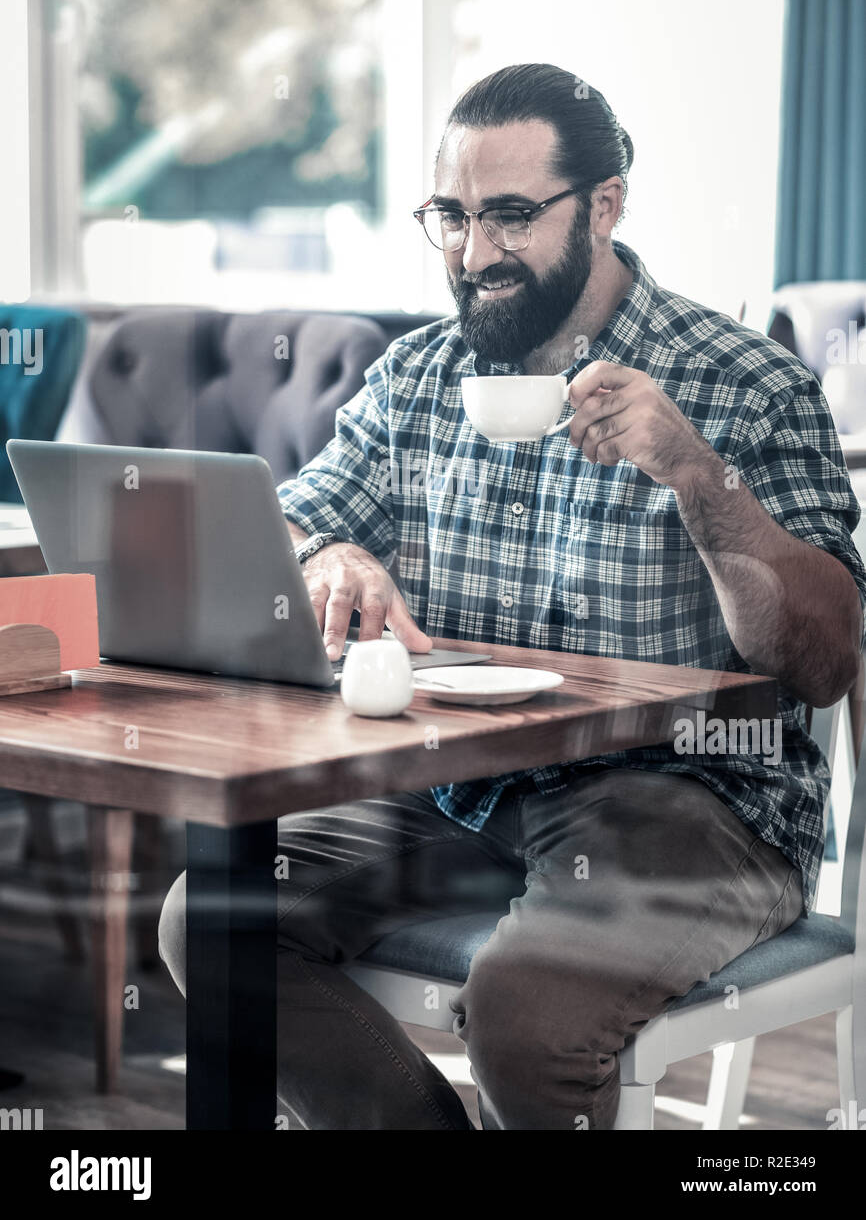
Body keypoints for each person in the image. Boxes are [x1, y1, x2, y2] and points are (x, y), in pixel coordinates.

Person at [159, 62, 866, 1129]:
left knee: (523, 1014)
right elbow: (294, 518)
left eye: (510, 215)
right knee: (207, 922)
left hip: (691, 798)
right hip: (456, 787)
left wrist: (694, 474)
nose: (473, 251)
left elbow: (822, 659)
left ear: (604, 204)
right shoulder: (416, 376)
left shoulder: (743, 384)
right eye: (450, 214)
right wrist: (320, 556)